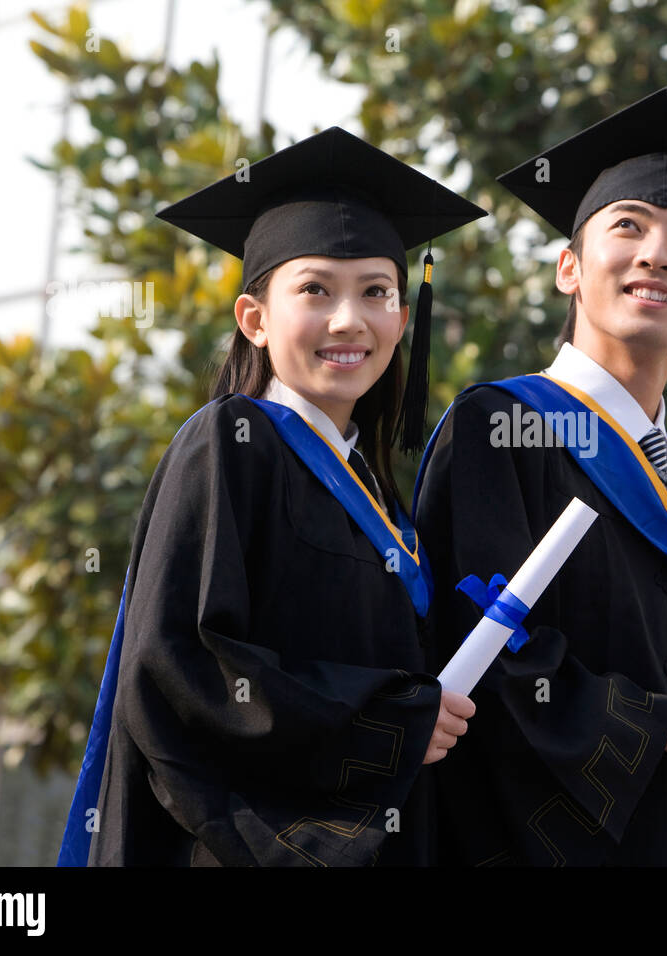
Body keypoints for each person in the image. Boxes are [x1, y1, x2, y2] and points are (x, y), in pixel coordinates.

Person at [57, 127, 487, 866]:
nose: (350, 319)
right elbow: (182, 665)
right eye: (315, 289)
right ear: (254, 319)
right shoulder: (230, 443)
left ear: (402, 320)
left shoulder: (382, 497)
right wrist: (394, 724)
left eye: (377, 292)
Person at [413, 88, 667, 865]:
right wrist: (659, 725)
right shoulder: (501, 428)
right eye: (627, 226)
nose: (659, 254)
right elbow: (471, 657)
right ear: (569, 267)